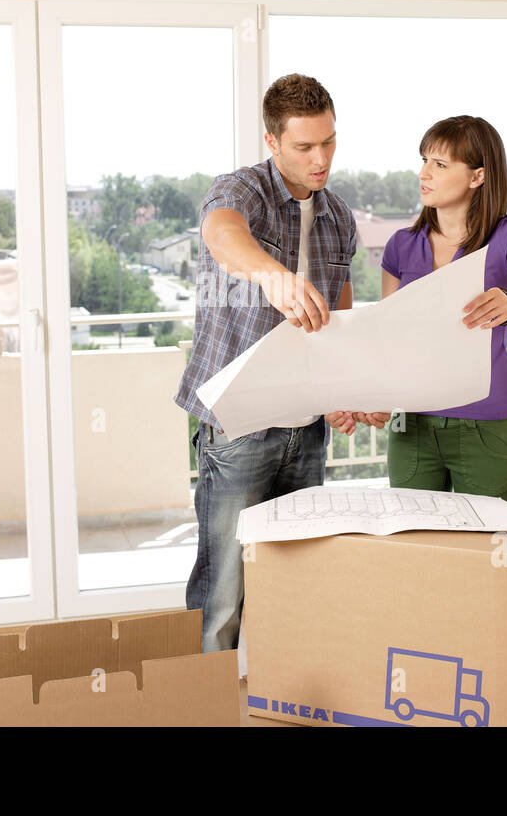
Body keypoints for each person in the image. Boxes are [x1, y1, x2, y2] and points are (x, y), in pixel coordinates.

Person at [174, 73, 361, 653]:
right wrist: (271, 275)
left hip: (306, 428)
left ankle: (283, 697)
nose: (321, 158)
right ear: (273, 142)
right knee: (222, 591)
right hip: (239, 424)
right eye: (305, 146)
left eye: (329, 142)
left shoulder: (338, 217)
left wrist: (344, 387)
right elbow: (222, 233)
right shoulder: (243, 190)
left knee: (293, 581)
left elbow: (342, 312)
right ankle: (199, 706)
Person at [363, 115, 507, 505]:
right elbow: (388, 338)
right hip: (412, 425)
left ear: (477, 177)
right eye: (424, 160)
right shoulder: (401, 246)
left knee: (487, 556)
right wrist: (377, 394)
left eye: (439, 165)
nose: (424, 173)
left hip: (487, 426)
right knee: (419, 552)